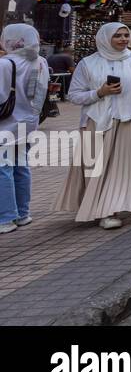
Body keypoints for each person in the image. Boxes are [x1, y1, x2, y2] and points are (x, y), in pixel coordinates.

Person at [57, 22, 131, 230]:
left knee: (125, 170)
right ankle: (101, 208)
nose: (123, 39)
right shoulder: (88, 63)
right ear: (104, 38)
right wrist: (99, 93)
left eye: (126, 35)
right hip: (98, 122)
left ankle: (111, 210)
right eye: (117, 36)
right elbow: (73, 95)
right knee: (97, 170)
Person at [0, 24, 50, 234]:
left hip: (5, 123)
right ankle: (22, 214)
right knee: (21, 166)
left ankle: (6, 218)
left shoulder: (5, 63)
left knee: (3, 169)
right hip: (28, 122)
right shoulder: (40, 61)